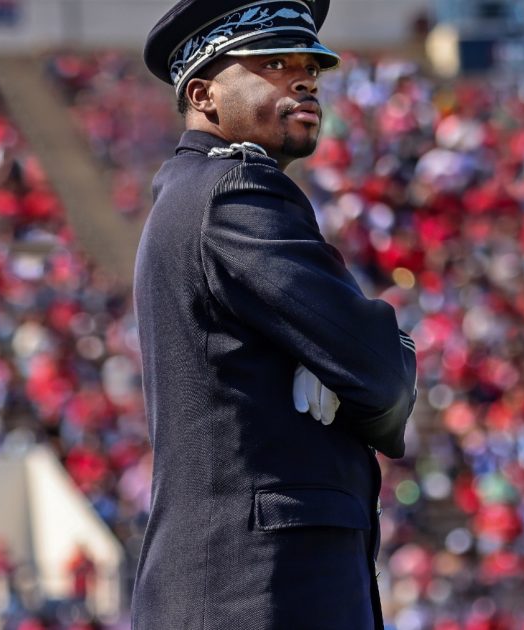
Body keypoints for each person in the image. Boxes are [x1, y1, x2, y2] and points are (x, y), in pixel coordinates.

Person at [133, 1, 418, 628]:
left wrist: (326, 356)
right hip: (256, 591)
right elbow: (381, 373)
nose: (304, 79)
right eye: (273, 64)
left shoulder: (192, 193)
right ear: (203, 93)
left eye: (310, 66)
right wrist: (350, 361)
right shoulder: (236, 191)